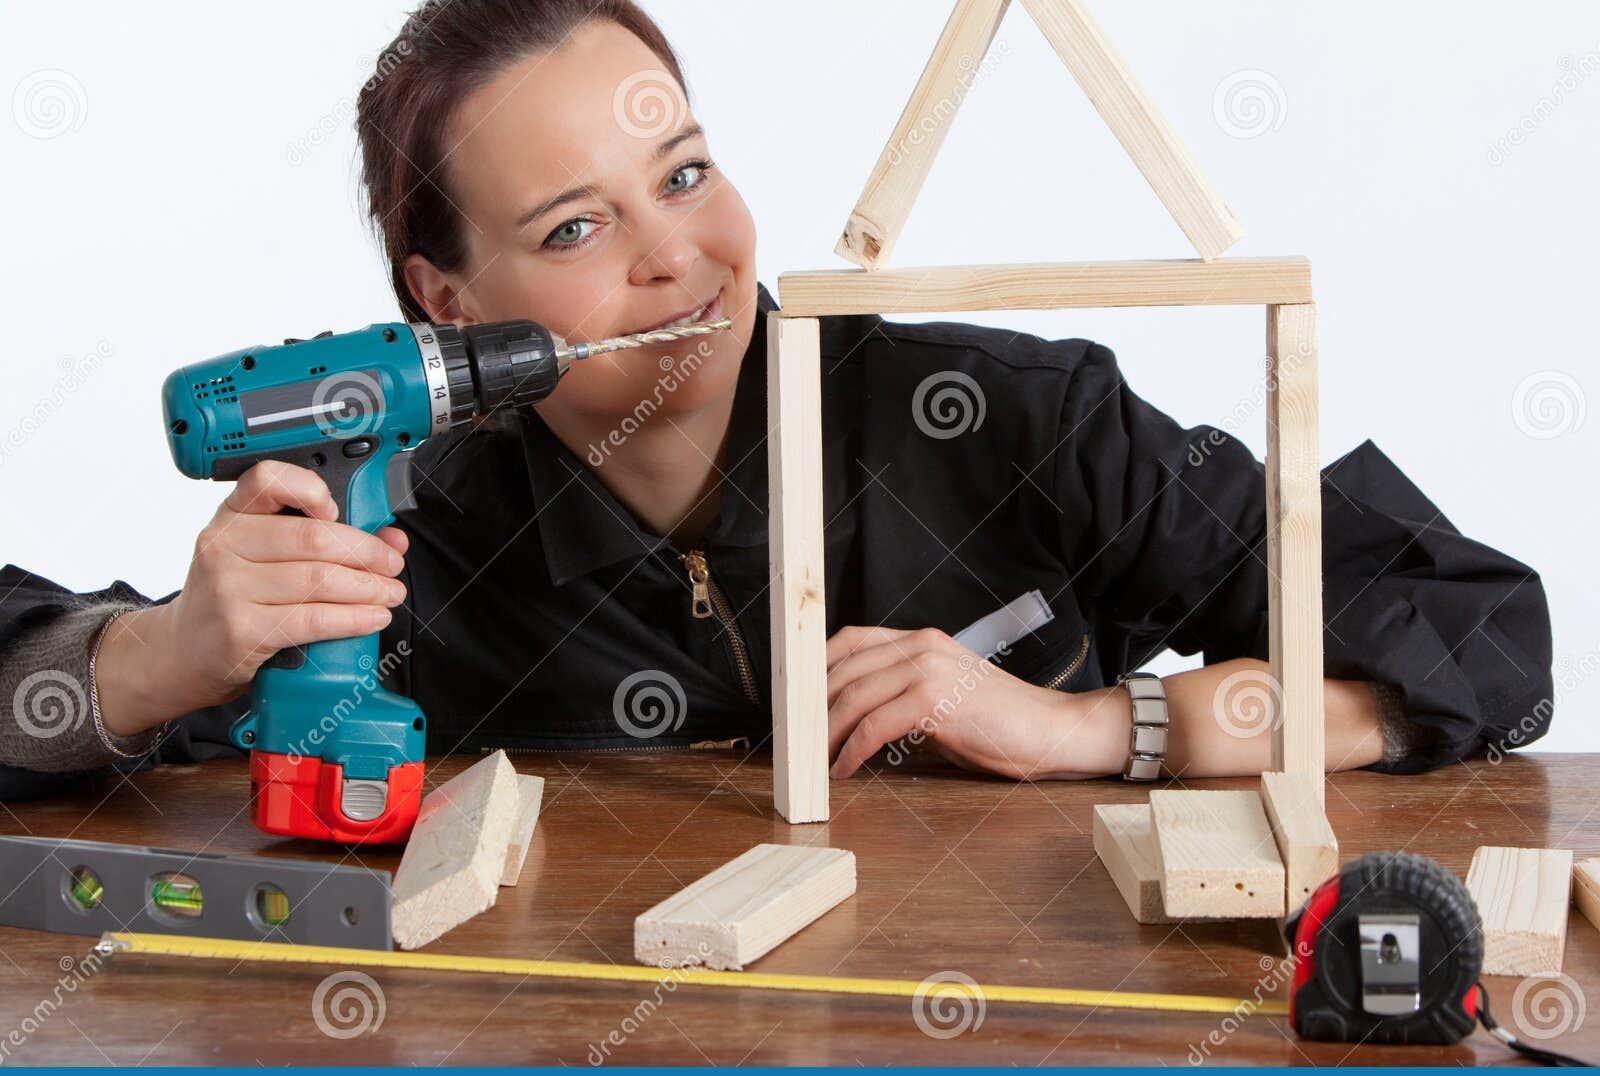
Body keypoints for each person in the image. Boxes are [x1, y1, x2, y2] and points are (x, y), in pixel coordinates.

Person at [0, 0, 1553, 804]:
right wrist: (157, 658)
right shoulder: (412, 542)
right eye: (576, 227)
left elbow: (1477, 628)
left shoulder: (1005, 412)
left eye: (683, 171)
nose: (685, 253)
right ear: (446, 307)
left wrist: (1098, 729)